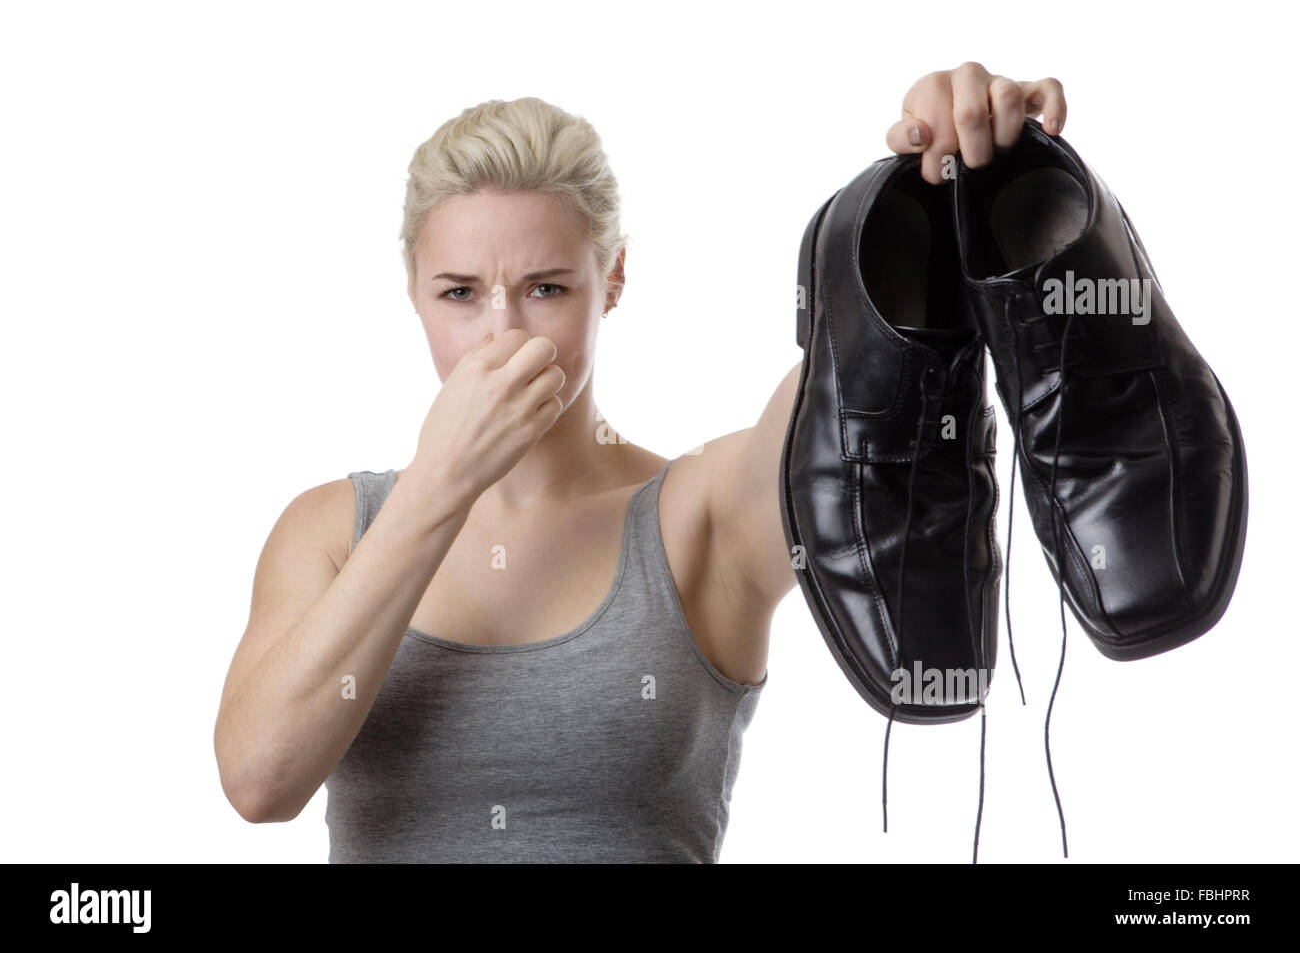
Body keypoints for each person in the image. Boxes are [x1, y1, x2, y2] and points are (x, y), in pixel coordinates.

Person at [213, 63, 1067, 862]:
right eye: (460, 293)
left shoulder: (699, 512)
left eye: (547, 288)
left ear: (612, 279)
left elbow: (854, 370)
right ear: (413, 290)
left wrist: (939, 178)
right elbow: (259, 783)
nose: (504, 334)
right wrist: (441, 485)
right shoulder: (330, 530)